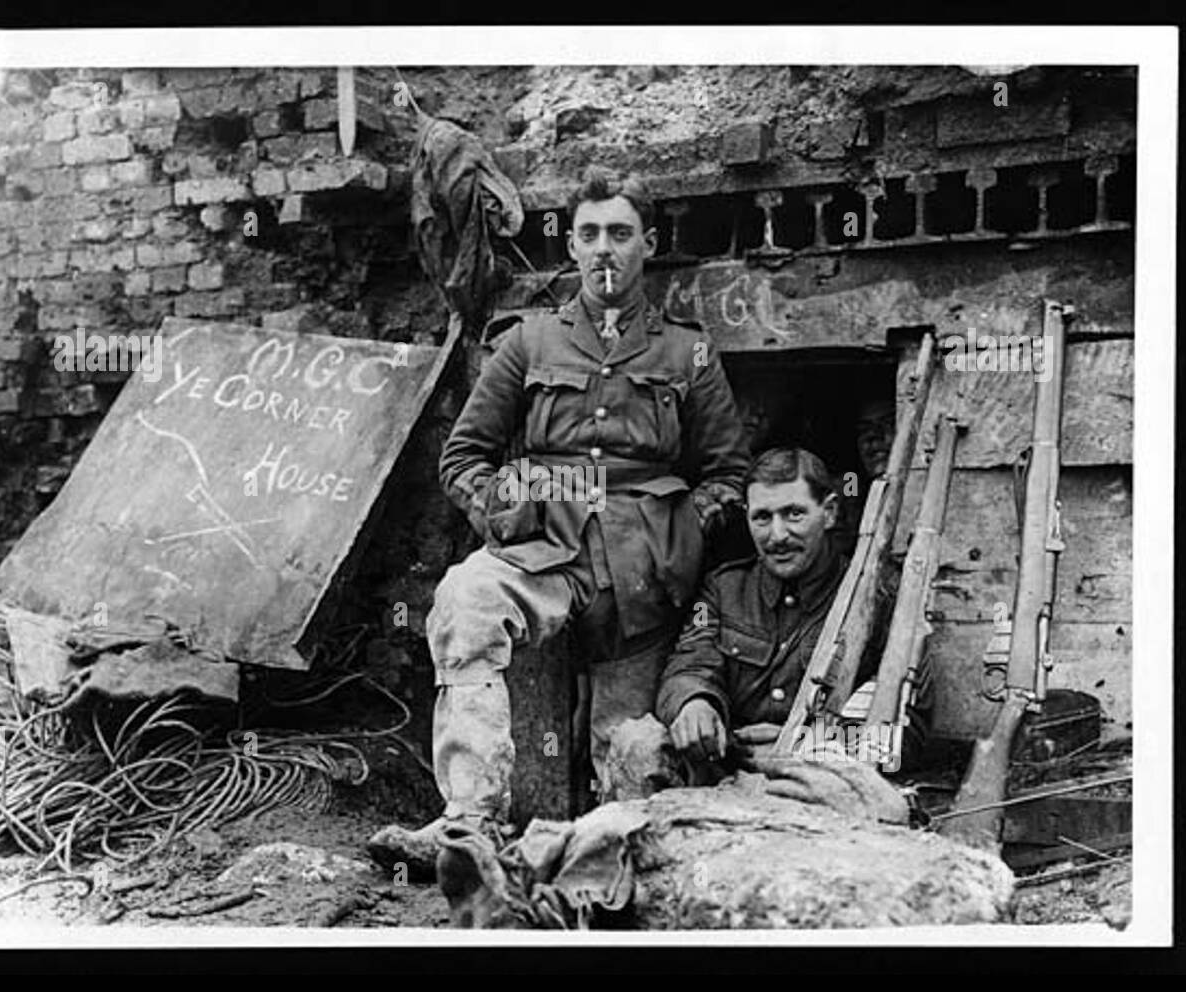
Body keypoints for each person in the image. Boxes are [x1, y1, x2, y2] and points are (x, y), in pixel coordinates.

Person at [369, 166, 750, 877]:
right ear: (570, 247)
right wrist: (496, 511)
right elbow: (465, 454)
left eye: (620, 234)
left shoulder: (686, 352)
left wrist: (686, 527)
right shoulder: (528, 343)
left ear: (649, 245)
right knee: (465, 601)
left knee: (631, 761)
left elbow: (729, 469)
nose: (604, 249)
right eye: (589, 234)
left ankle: (585, 859)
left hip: (644, 570)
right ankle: (470, 821)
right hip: (540, 543)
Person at [647, 446, 927, 780]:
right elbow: (688, 664)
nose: (777, 536)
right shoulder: (723, 590)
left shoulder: (879, 599)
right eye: (762, 518)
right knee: (639, 743)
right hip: (730, 772)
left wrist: (807, 743)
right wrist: (693, 703)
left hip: (825, 784)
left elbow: (907, 734)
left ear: (830, 513)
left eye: (794, 514)